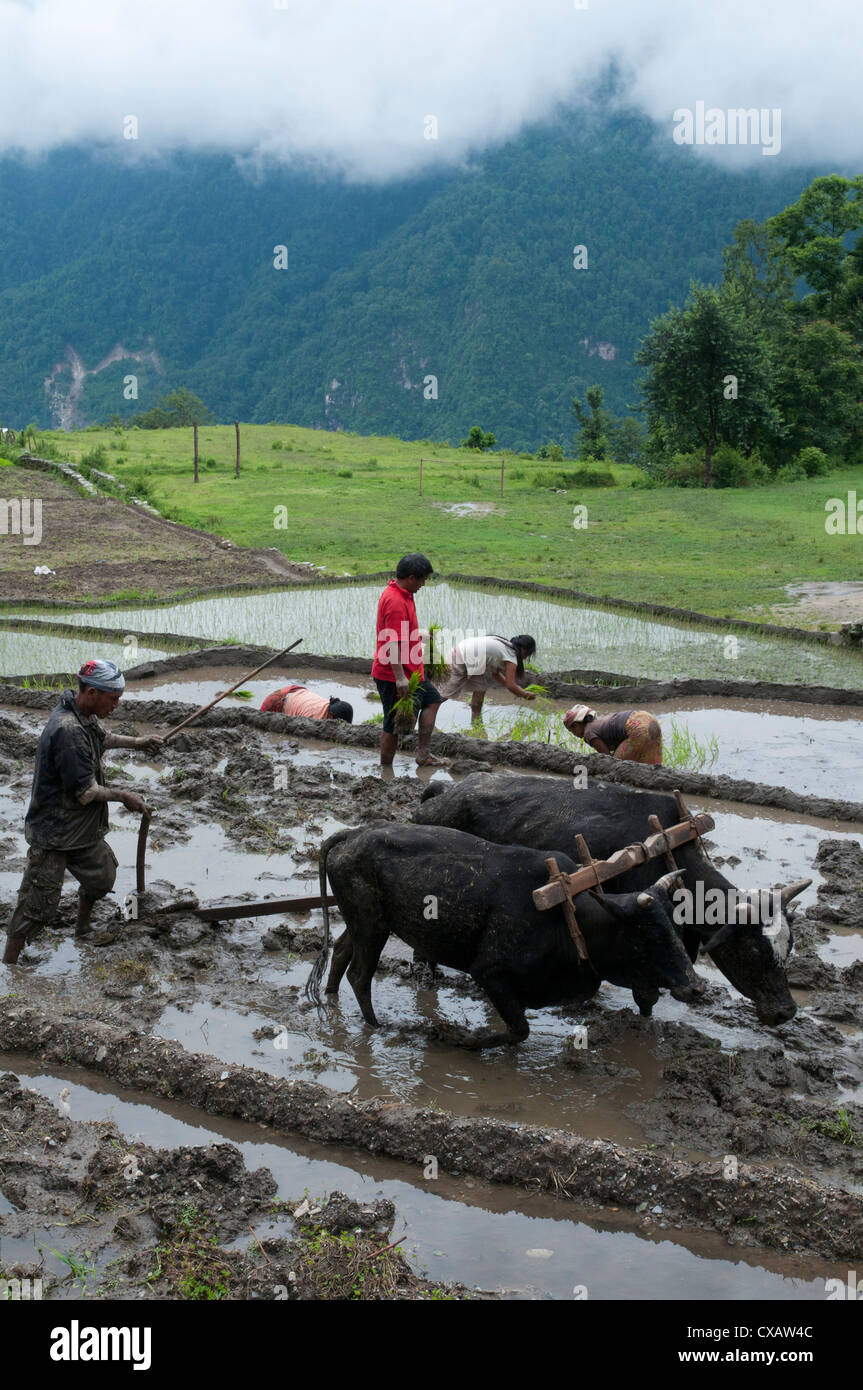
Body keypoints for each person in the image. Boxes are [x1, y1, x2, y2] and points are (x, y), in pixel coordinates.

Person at [2, 659, 163, 965]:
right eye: (112, 699)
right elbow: (87, 792)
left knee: (102, 877)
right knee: (36, 906)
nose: (115, 706)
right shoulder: (67, 731)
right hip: (54, 833)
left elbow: (103, 739)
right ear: (91, 692)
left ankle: (83, 927)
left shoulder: (83, 715)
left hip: (81, 830)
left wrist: (140, 743)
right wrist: (123, 796)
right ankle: (9, 965)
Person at [372, 553, 446, 768]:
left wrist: (416, 634)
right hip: (395, 673)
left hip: (411, 670)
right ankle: (385, 773)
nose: (424, 584)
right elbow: (392, 643)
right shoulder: (395, 601)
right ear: (412, 578)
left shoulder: (402, 593)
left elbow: (397, 631)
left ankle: (423, 755)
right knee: (392, 725)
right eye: (423, 579)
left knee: (433, 700)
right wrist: (400, 678)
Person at [436, 633, 538, 721]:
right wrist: (524, 694)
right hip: (462, 658)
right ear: (524, 650)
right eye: (528, 654)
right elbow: (510, 685)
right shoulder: (511, 656)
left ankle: (476, 721)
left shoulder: (505, 646)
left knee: (480, 687)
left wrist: (513, 688)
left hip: (467, 655)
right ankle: (428, 710)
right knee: (447, 692)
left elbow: (496, 675)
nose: (526, 657)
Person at [563, 704, 663, 765]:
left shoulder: (588, 732)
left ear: (575, 725)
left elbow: (607, 758)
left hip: (637, 728)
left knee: (617, 767)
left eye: (571, 731)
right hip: (649, 719)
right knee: (652, 768)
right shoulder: (599, 722)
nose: (574, 735)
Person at [260, 685, 353, 722]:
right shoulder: (313, 717)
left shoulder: (329, 706)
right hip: (275, 702)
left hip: (295, 690)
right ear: (331, 716)